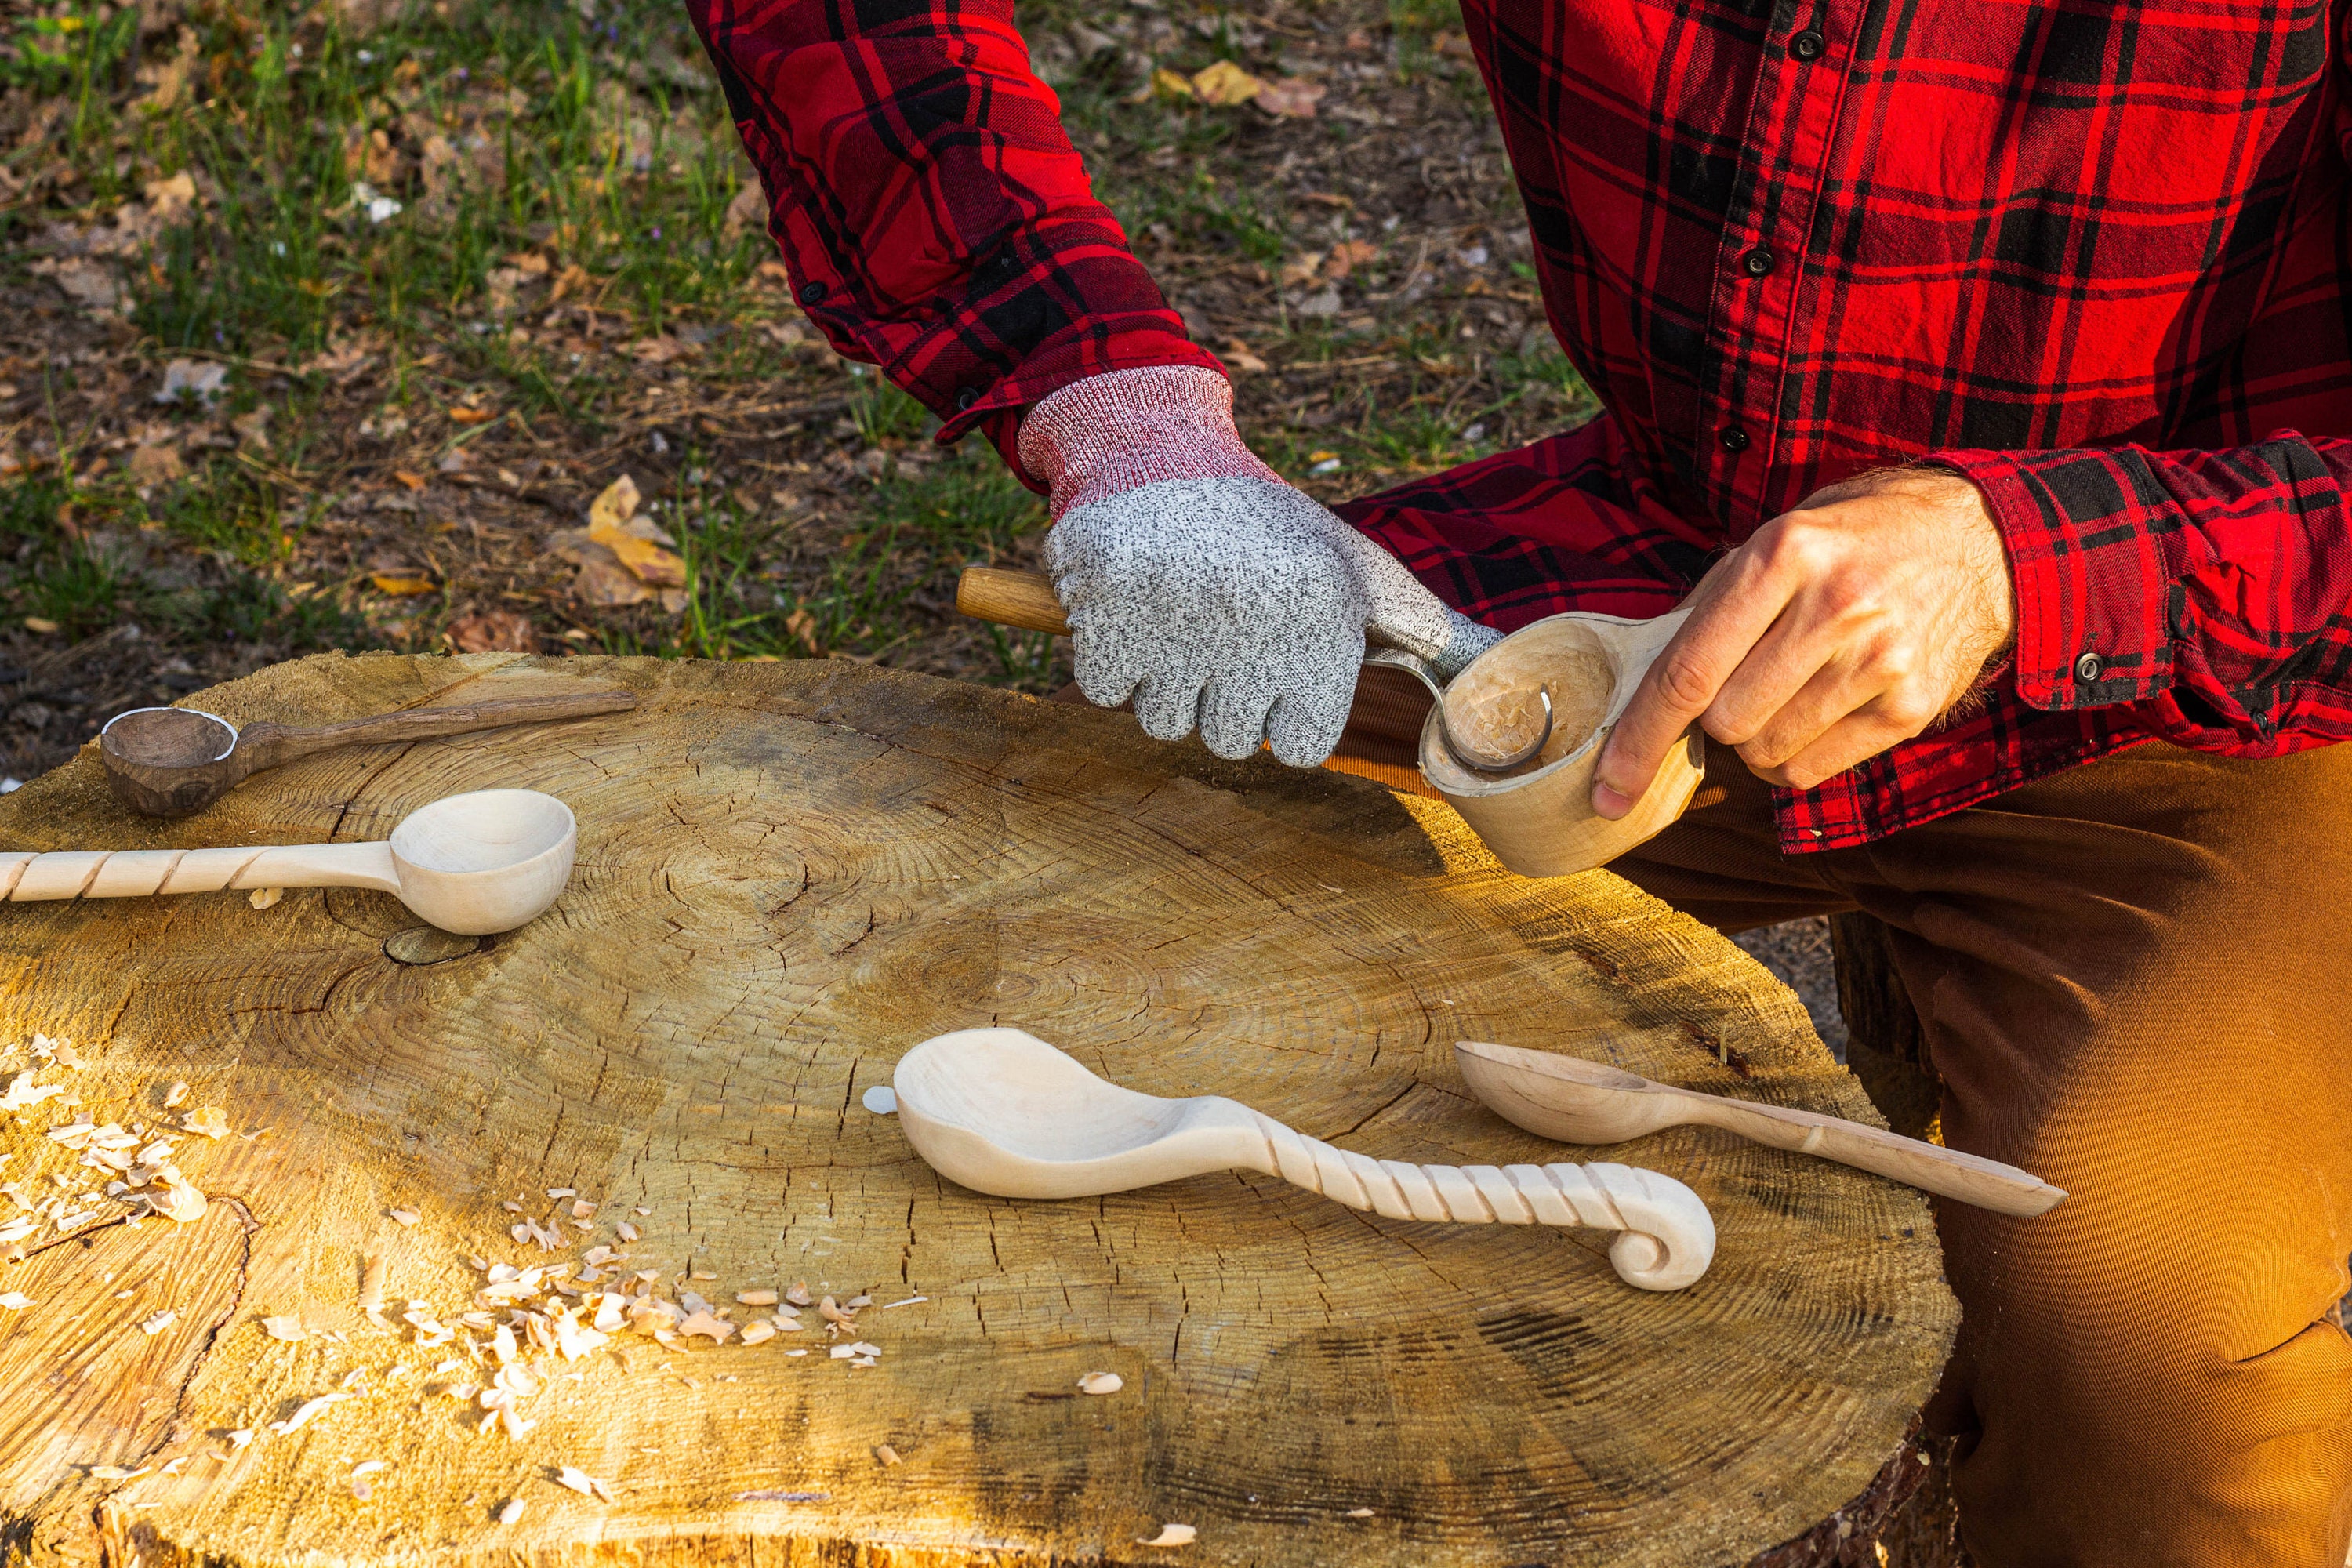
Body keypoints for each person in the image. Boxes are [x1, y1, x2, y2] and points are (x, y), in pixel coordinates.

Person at [684, 2, 2352, 1561]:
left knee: (2149, 1342)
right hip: (1656, 585)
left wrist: (2019, 570)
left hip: (2227, 652)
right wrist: (1106, 398)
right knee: (1096, 937)